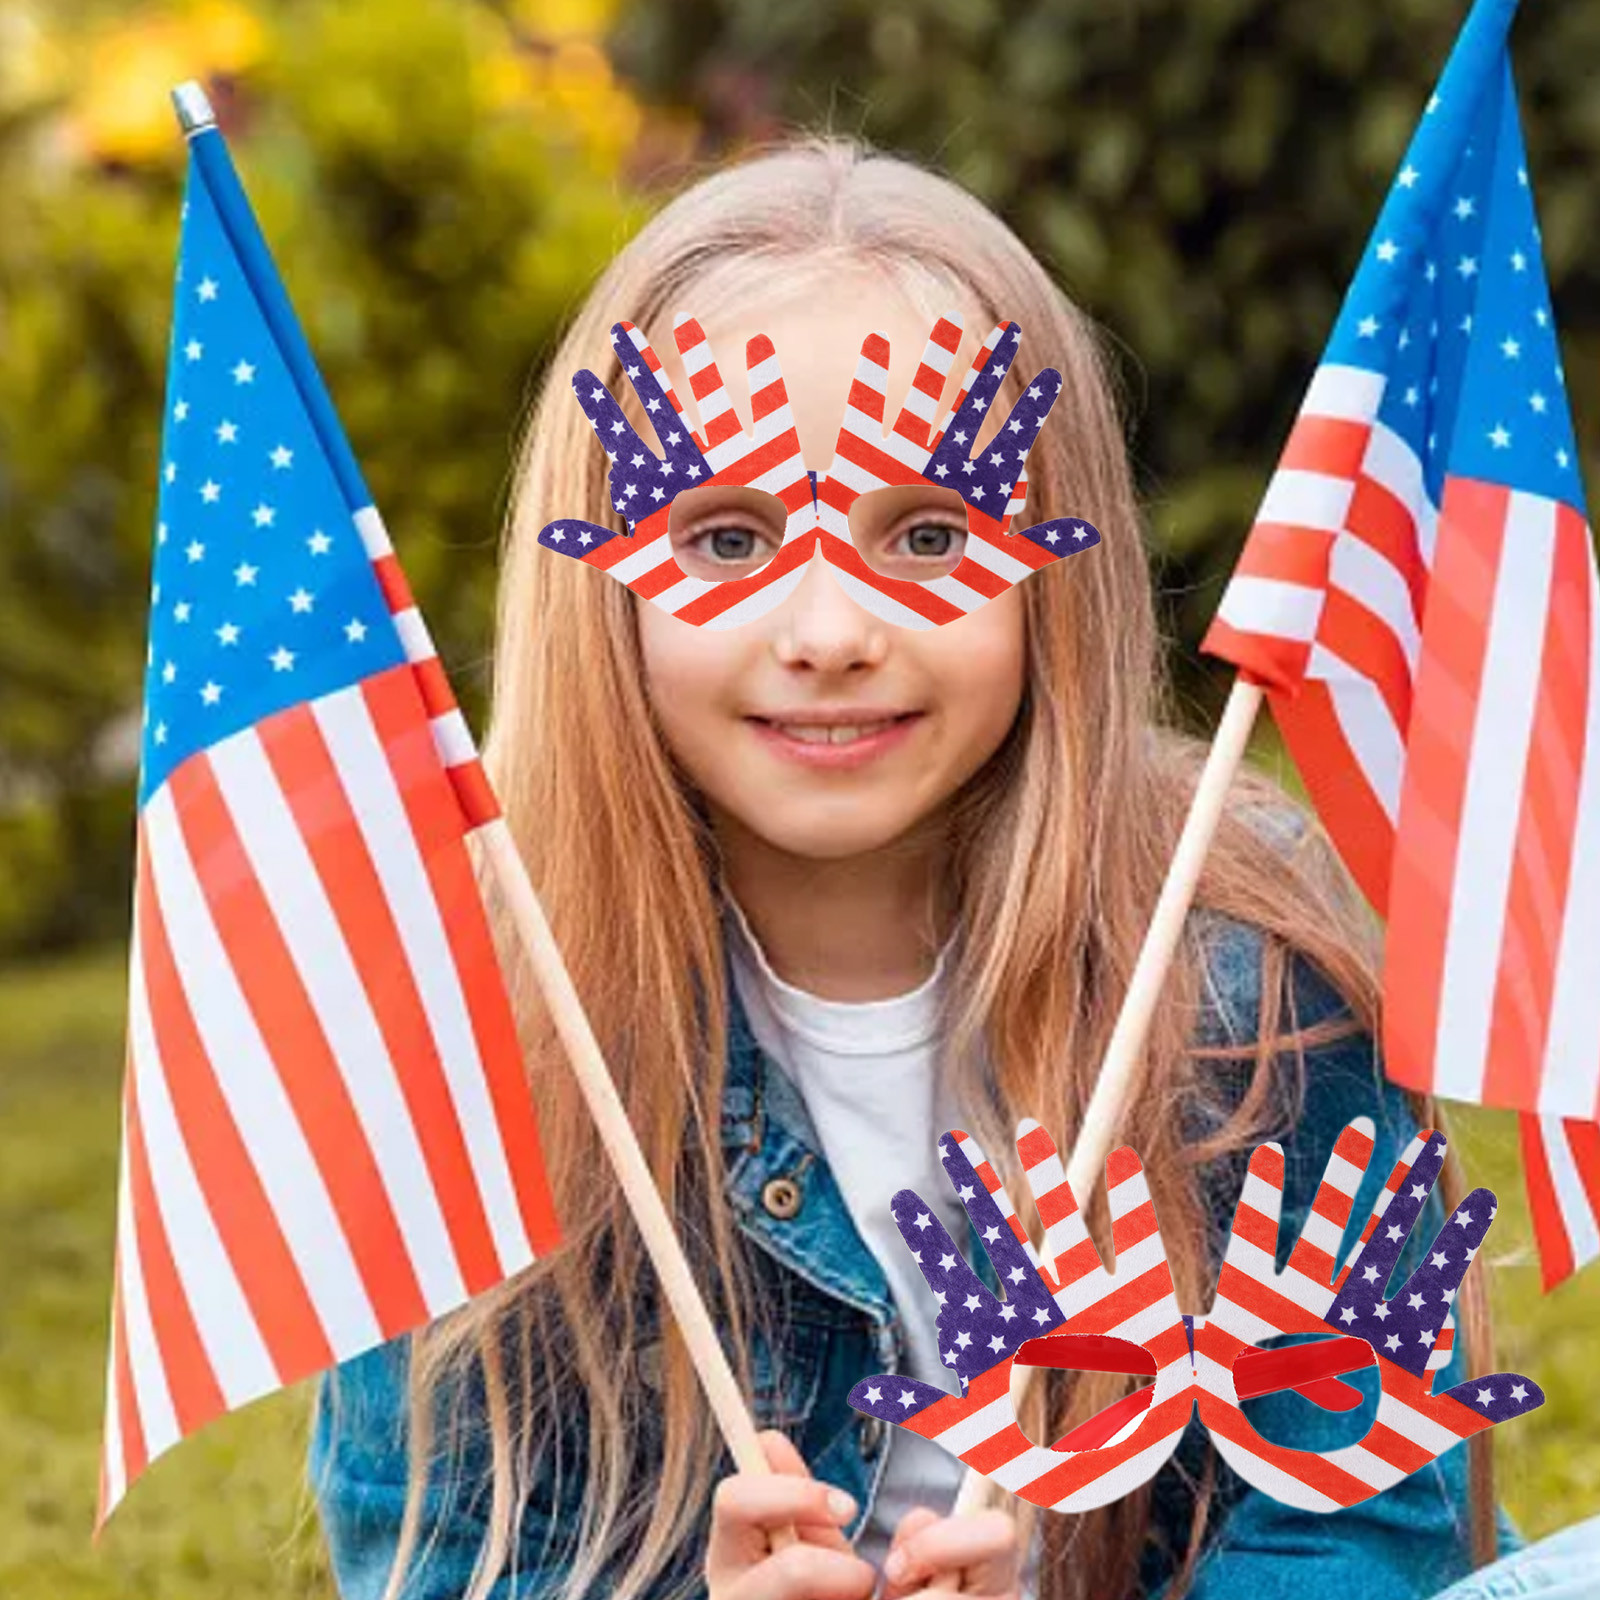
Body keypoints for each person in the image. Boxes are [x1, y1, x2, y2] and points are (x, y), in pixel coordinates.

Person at [309, 135, 1568, 1600]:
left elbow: (1362, 1519)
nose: (831, 632)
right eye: (726, 537)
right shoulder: (486, 1027)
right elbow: (442, 1557)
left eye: (926, 532)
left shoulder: (1243, 970)